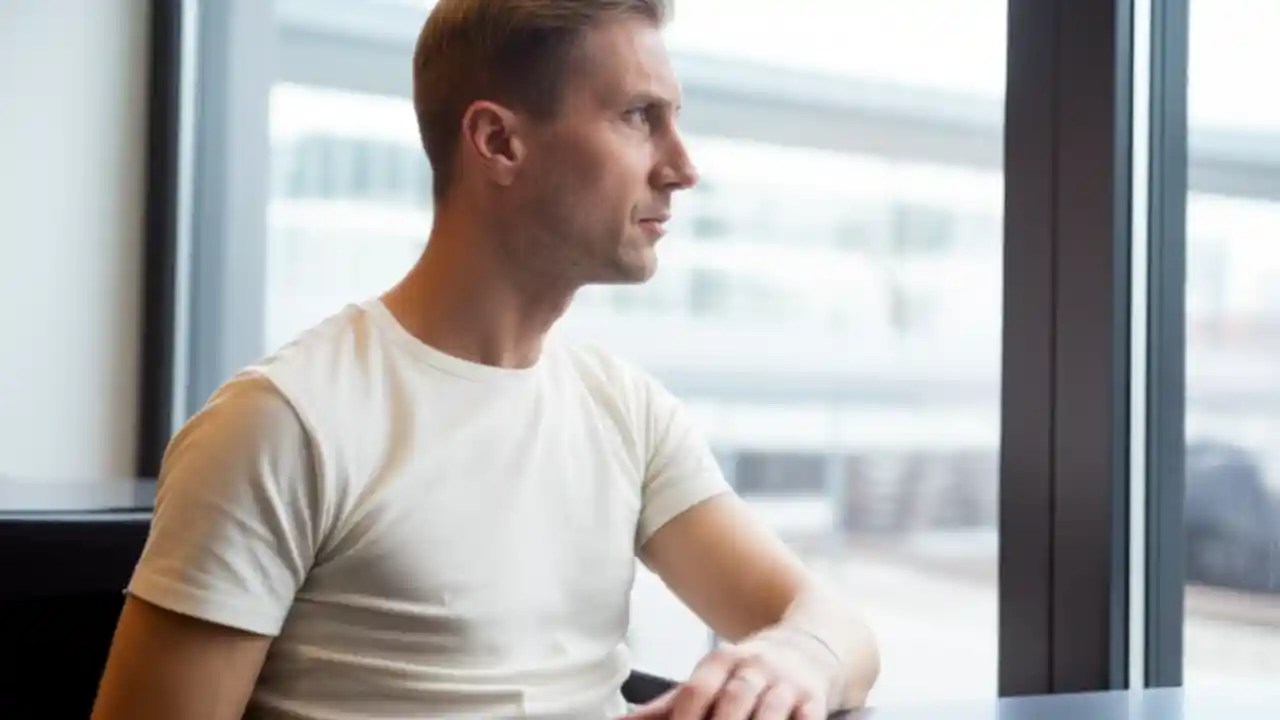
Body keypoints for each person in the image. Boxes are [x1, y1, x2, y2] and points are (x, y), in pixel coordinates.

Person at [91, 1, 880, 717]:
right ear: (499, 142)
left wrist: (795, 659)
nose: (682, 167)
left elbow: (837, 628)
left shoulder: (627, 412)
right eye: (640, 117)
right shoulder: (283, 424)